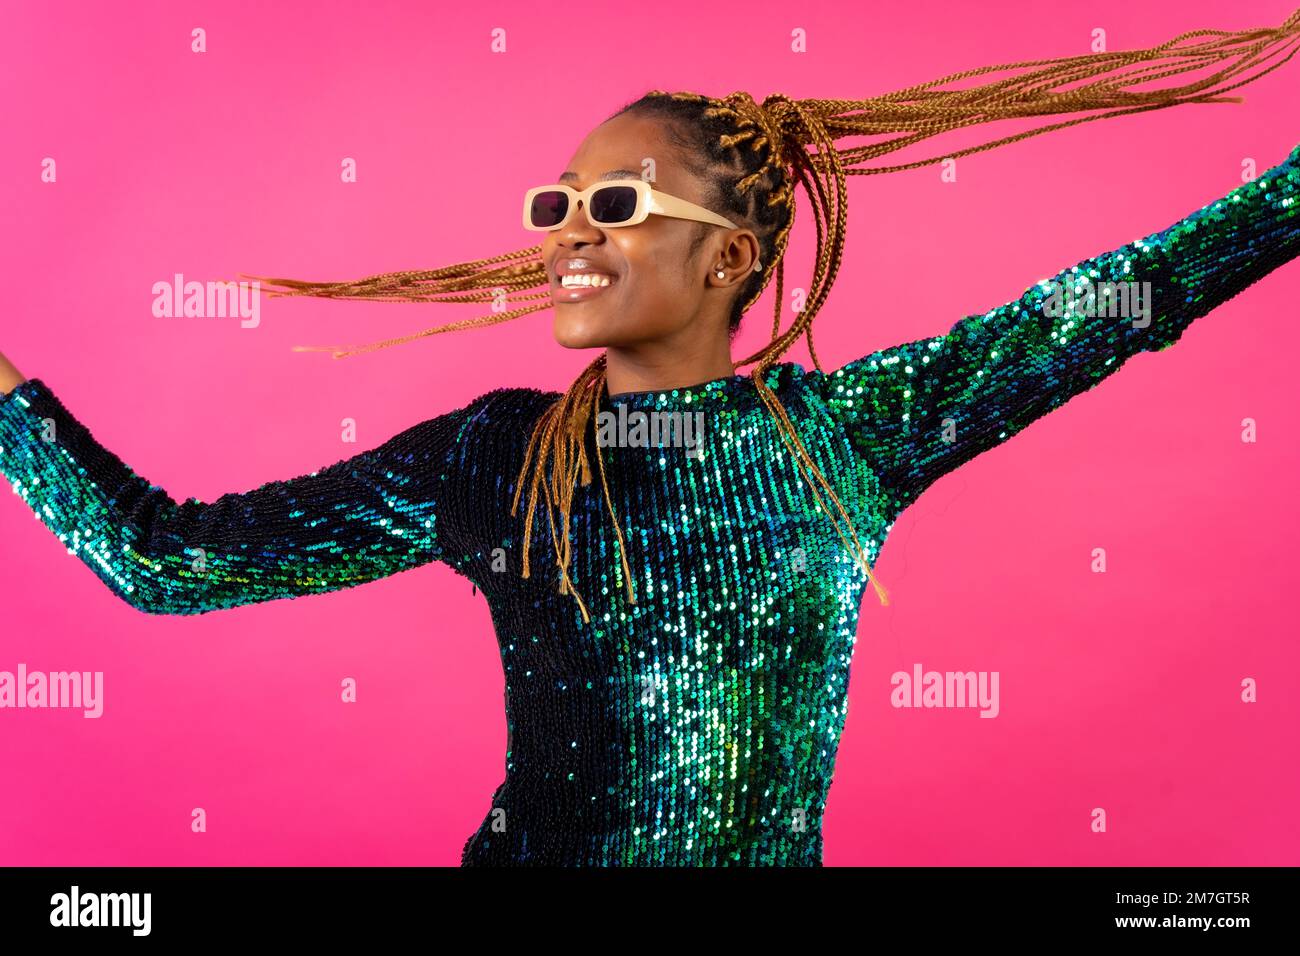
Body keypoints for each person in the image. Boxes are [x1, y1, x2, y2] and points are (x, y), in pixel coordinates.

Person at [2, 13, 1299, 866]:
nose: (568, 232)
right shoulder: (494, 457)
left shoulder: (840, 436)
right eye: (559, 202)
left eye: (614, 204)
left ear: (728, 254)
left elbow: (1121, 302)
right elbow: (165, 564)